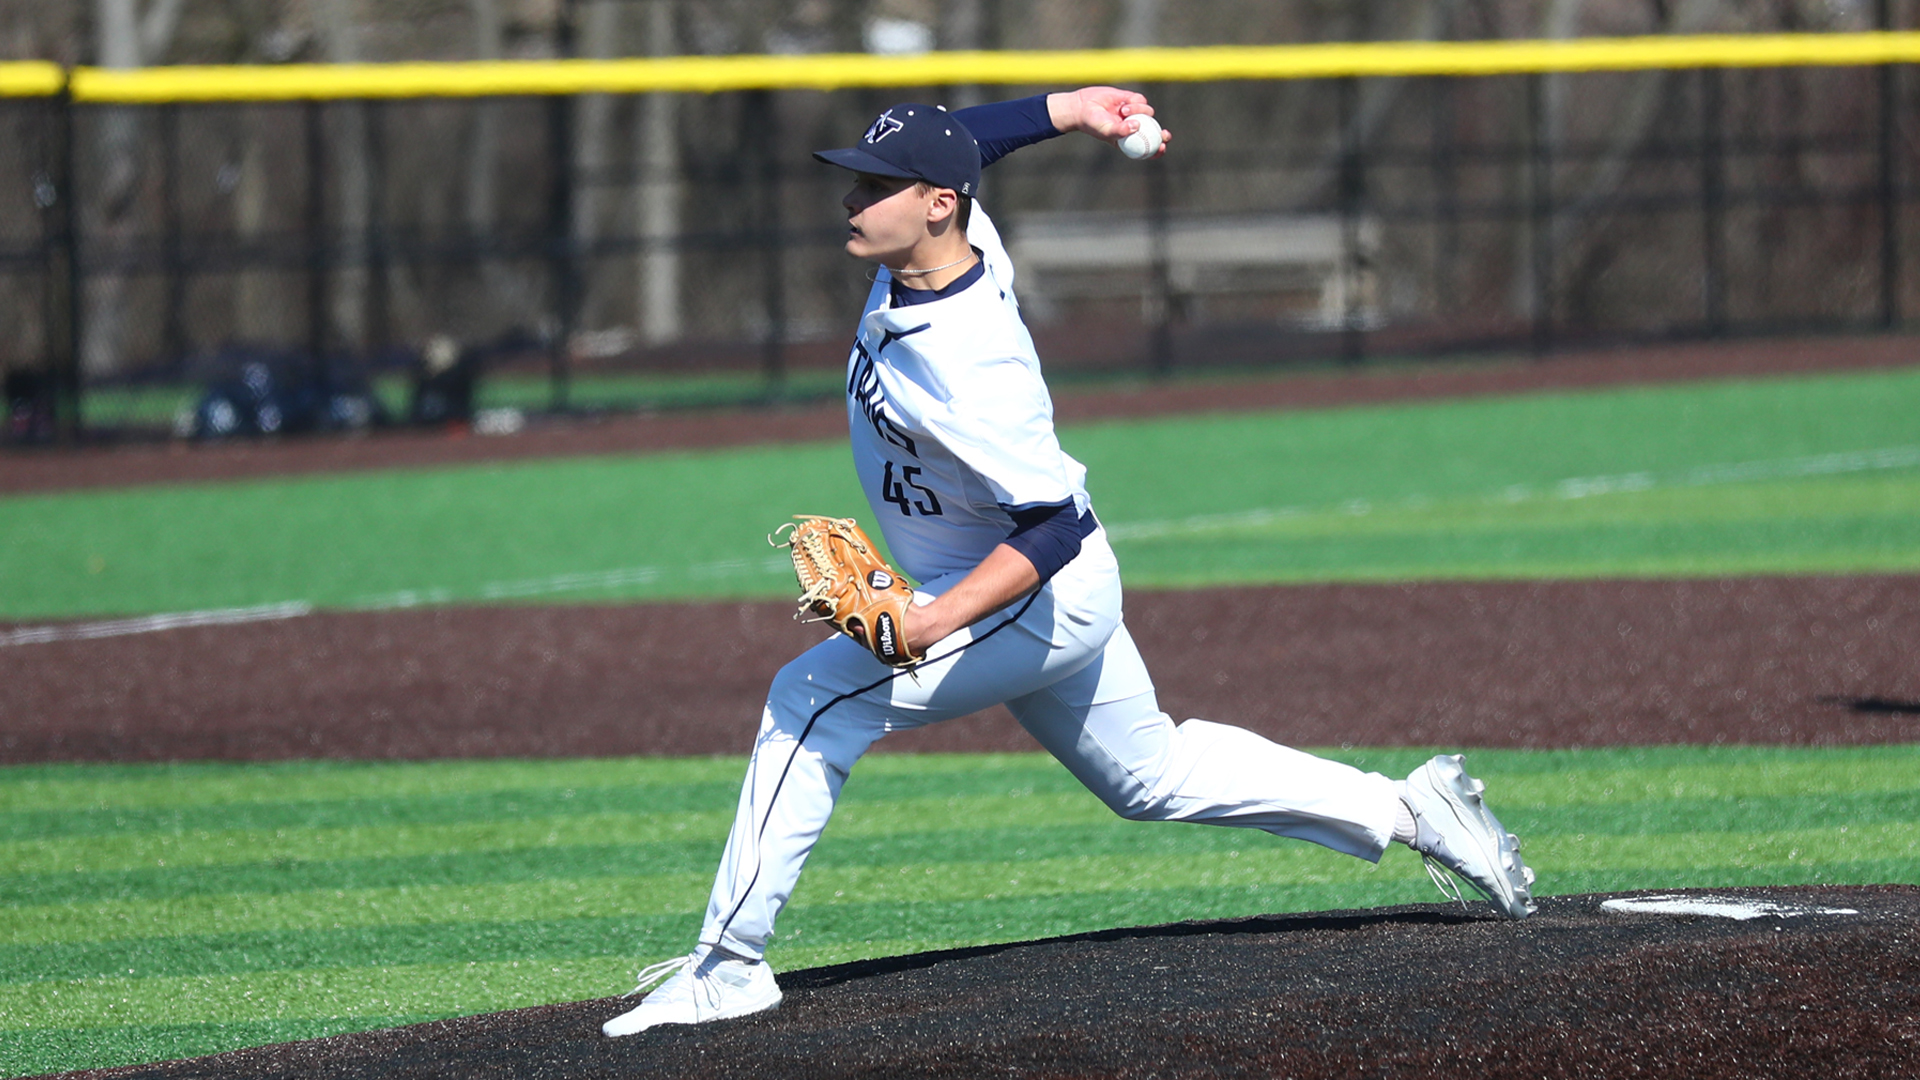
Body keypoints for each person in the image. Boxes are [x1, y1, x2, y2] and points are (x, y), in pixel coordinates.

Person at [601, 88, 1535, 1038]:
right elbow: (969, 144)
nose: (851, 201)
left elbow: (1051, 531)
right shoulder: (950, 245)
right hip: (1033, 585)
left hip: (1033, 589)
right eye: (854, 181)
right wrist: (1070, 108)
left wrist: (929, 621)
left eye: (874, 186)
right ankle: (1416, 812)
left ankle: (729, 965)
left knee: (808, 702)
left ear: (934, 204)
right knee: (1150, 777)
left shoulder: (971, 368)